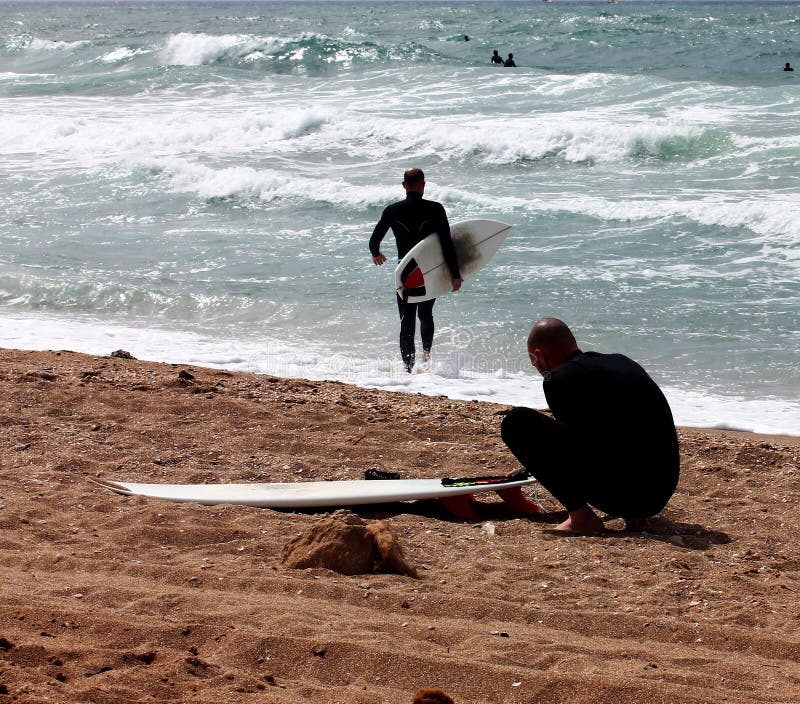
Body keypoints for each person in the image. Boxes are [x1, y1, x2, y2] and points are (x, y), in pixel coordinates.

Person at [500, 318, 680, 534]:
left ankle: (580, 517)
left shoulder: (558, 379)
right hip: (660, 492)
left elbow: (572, 447)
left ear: (540, 355)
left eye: (533, 361)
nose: (536, 366)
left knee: (516, 421)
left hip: (627, 498)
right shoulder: (623, 362)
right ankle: (637, 517)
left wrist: (536, 461)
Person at [369, 168, 463, 372]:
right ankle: (426, 355)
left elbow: (374, 241)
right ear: (423, 185)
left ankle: (408, 368)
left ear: (404, 185)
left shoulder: (392, 210)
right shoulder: (435, 209)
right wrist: (455, 274)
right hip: (428, 271)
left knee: (407, 319)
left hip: (405, 271)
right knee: (426, 314)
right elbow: (447, 244)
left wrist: (376, 253)